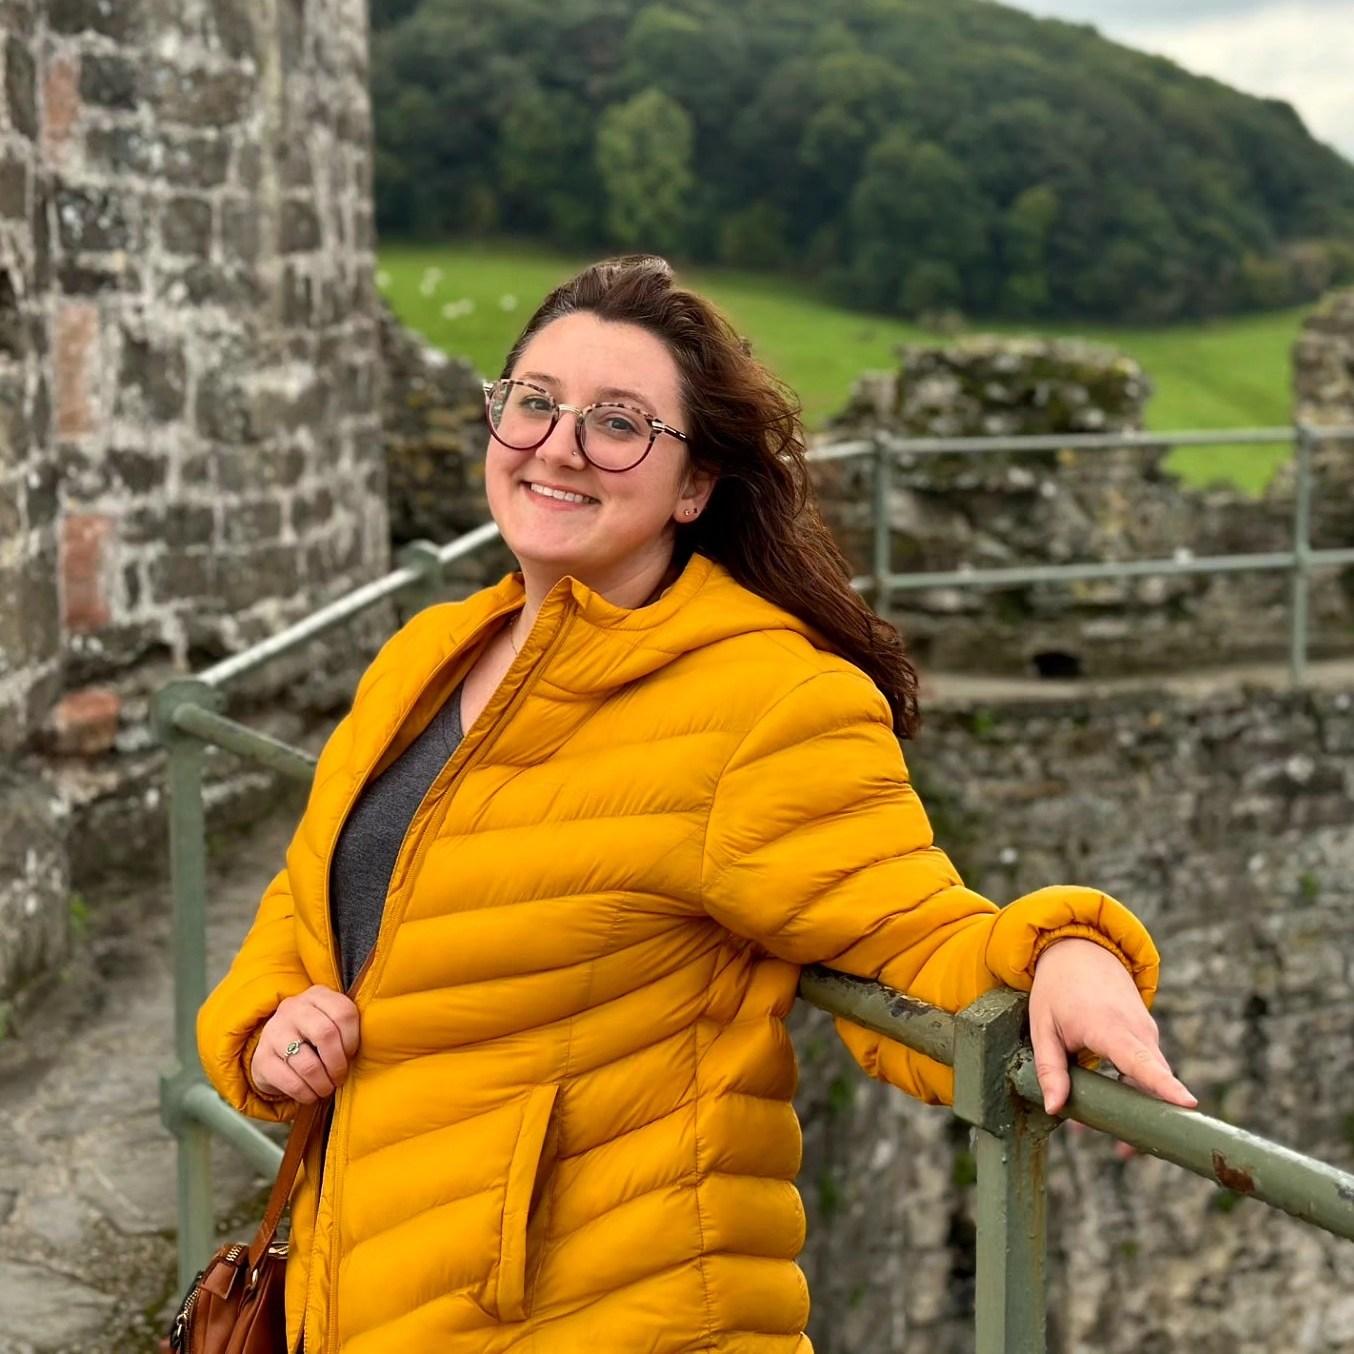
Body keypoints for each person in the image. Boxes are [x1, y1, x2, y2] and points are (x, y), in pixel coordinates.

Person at [197, 254, 1194, 1354]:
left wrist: (1064, 952)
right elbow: (305, 905)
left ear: (693, 486)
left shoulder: (765, 699)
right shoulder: (424, 654)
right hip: (362, 1299)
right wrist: (267, 1029)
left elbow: (914, 934)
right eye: (533, 402)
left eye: (618, 424)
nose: (558, 445)